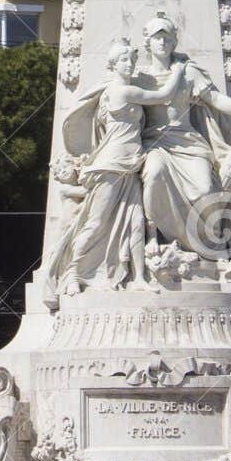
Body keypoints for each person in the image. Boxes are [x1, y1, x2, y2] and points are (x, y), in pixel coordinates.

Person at [43, 39, 179, 303]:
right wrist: (178, 71)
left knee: (137, 222)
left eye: (131, 59)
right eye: (124, 60)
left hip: (131, 164)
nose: (129, 65)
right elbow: (163, 96)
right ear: (113, 65)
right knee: (96, 222)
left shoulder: (121, 90)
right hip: (112, 164)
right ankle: (72, 274)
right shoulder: (120, 91)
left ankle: (138, 277)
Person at [138, 14, 231, 259]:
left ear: (174, 42)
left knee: (206, 188)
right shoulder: (141, 78)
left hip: (189, 143)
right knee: (153, 174)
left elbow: (215, 99)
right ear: (148, 43)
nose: (162, 43)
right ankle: (153, 234)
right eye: (157, 38)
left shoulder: (188, 73)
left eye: (167, 38)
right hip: (156, 145)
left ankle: (203, 241)